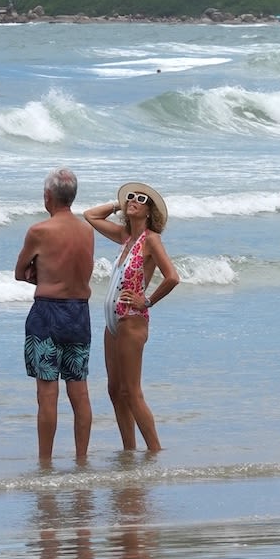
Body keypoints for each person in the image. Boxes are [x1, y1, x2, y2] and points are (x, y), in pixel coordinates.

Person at [86, 182, 180, 453]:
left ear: (150, 212)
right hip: (113, 322)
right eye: (131, 198)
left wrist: (147, 300)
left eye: (140, 199)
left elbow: (172, 277)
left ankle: (155, 452)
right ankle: (129, 451)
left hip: (132, 320)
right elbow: (90, 215)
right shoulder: (126, 236)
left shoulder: (151, 239)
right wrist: (119, 204)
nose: (134, 201)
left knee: (131, 391)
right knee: (114, 390)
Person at [15, 167, 97, 465]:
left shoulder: (39, 231)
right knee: (80, 391)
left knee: (47, 394)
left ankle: (45, 462)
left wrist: (42, 275)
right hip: (79, 314)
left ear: (47, 196)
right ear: (72, 197)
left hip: (47, 314)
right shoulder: (87, 231)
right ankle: (81, 459)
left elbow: (20, 272)